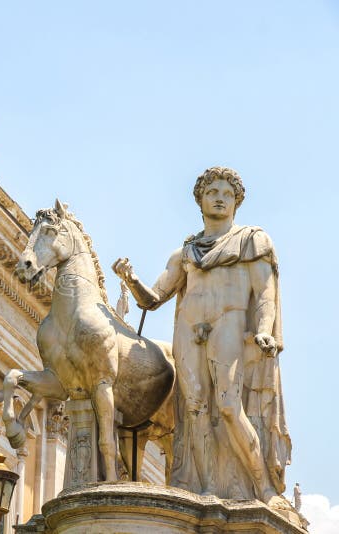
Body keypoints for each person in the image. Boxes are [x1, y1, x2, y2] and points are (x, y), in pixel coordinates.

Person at [113, 167, 290, 505]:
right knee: (192, 409)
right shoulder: (186, 253)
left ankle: (262, 486)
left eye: (227, 193)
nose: (220, 197)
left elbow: (265, 293)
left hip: (230, 326)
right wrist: (131, 278)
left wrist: (265, 331)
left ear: (237, 201)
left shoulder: (252, 241)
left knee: (227, 405)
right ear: (200, 201)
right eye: (213, 192)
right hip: (189, 332)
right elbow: (153, 299)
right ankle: (203, 490)